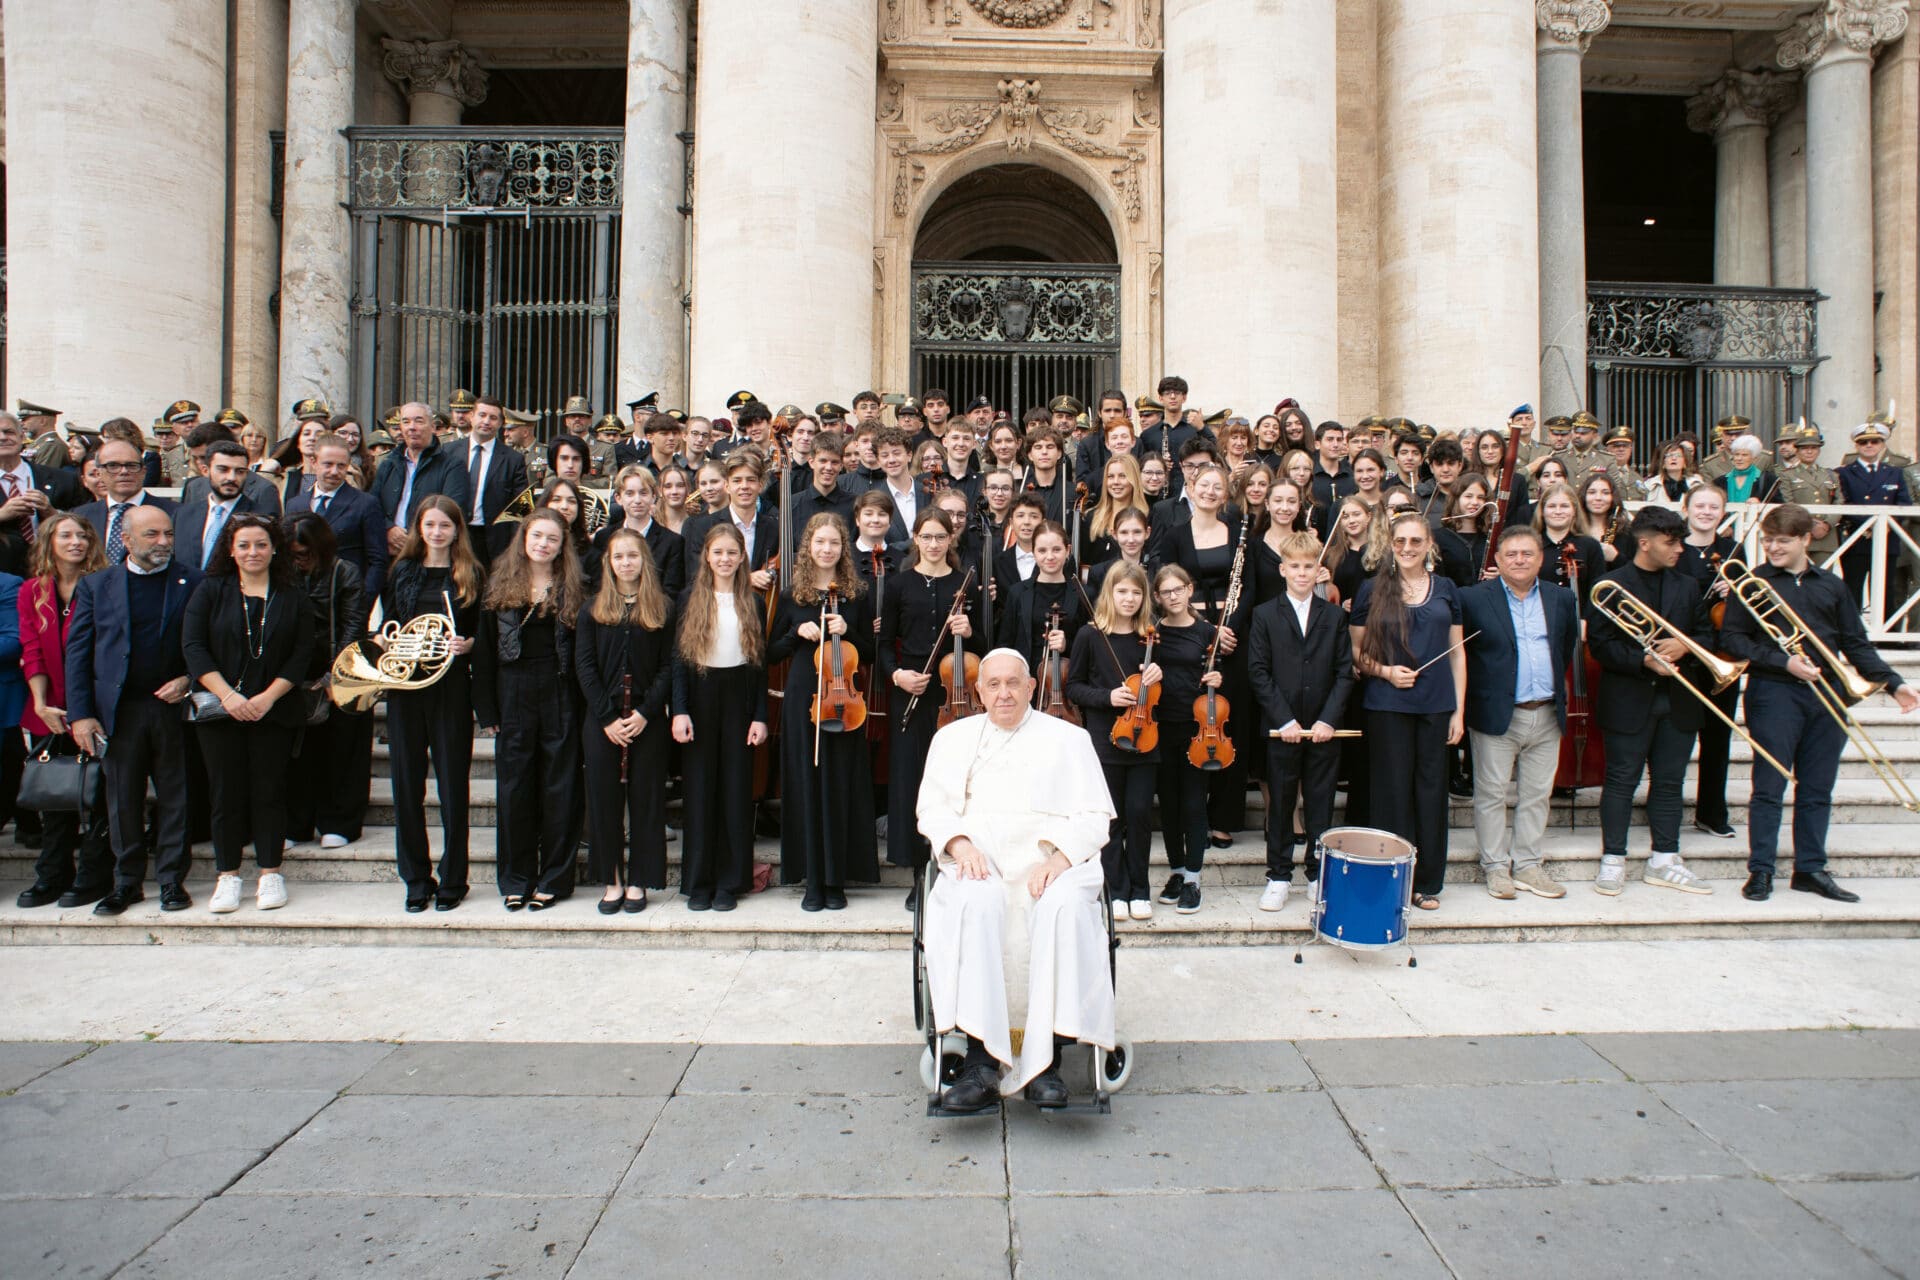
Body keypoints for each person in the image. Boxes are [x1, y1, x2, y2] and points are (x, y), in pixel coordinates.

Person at [916, 647, 1118, 1111]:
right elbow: (933, 809)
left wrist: (1062, 859)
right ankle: (981, 1060)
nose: (1004, 693)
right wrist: (960, 845)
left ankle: (1047, 1062)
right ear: (979, 691)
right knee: (976, 902)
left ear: (1032, 687)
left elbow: (1094, 814)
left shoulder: (1070, 739)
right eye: (993, 685)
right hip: (979, 861)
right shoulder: (952, 739)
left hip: (1050, 865)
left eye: (1014, 683)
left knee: (1062, 905)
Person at [1721, 503, 1920, 902]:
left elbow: (1856, 643)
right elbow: (1732, 640)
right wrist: (1783, 661)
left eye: (1782, 541)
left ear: (1805, 540)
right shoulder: (1753, 583)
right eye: (1767, 540)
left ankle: (1810, 868)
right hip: (1774, 692)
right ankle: (1760, 870)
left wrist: (1893, 683)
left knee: (1817, 788)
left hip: (1828, 693)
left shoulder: (1832, 585)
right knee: (1769, 786)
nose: (1773, 548)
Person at [66, 505, 200, 915]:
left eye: (168, 534)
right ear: (125, 540)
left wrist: (189, 679)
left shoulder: (192, 581)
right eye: (152, 535)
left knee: (175, 796)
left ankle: (171, 881)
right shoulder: (97, 586)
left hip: (169, 707)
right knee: (122, 798)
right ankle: (126, 883)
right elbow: (78, 652)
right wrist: (81, 714)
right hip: (118, 711)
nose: (163, 542)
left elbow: (206, 642)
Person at [182, 515, 315, 914]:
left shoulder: (292, 594)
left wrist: (267, 698)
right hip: (221, 711)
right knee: (225, 795)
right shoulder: (211, 591)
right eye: (244, 545)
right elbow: (193, 646)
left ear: (275, 548)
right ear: (230, 550)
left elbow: (302, 653)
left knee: (269, 793)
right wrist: (228, 697)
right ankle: (228, 876)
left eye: (261, 544)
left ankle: (270, 872)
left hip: (273, 711)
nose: (253, 552)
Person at [1586, 505, 1715, 897]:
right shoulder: (1612, 584)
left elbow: (1708, 637)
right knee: (1622, 781)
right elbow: (1601, 645)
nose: (1679, 549)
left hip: (1678, 700)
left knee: (1670, 782)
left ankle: (1665, 858)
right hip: (1629, 697)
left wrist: (1684, 646)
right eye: (1670, 543)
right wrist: (1643, 660)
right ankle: (1613, 859)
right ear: (1645, 543)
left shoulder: (1689, 585)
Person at [1350, 511, 1465, 910]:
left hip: (1436, 706)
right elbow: (1356, 652)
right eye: (1400, 542)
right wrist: (1385, 672)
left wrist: (1459, 712)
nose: (1408, 549)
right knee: (1392, 792)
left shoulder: (1447, 588)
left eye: (1416, 541)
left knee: (1431, 792)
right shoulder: (1371, 590)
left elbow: (1458, 654)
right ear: (1390, 544)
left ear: (1429, 544)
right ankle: (1392, 875)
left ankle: (1427, 880)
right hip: (1387, 704)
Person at [474, 509, 585, 911]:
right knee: (514, 789)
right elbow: (484, 653)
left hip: (560, 690)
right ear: (524, 538)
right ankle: (516, 879)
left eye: (552, 539)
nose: (543, 544)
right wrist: (487, 711)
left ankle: (554, 877)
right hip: (512, 691)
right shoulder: (499, 583)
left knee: (561, 788)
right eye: (537, 536)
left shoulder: (574, 586)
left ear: (561, 546)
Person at [768, 512, 880, 909]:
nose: (827, 549)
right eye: (820, 543)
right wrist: (796, 633)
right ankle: (813, 879)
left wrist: (848, 631)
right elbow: (770, 653)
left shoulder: (857, 594)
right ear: (808, 547)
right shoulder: (790, 595)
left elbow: (869, 652)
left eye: (834, 543)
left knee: (839, 784)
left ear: (843, 549)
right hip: (805, 698)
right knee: (806, 785)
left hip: (844, 701)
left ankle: (837, 881)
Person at [1459, 525, 1578, 901]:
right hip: (1496, 712)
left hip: (1546, 711)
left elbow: (1566, 646)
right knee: (1491, 793)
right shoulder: (1474, 599)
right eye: (1511, 554)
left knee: (1537, 794)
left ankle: (1527, 864)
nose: (1519, 560)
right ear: (1497, 560)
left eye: (1527, 553)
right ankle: (1495, 866)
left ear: (1541, 558)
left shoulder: (1561, 600)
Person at [381, 495, 485, 912]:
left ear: (458, 530)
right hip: (406, 687)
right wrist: (388, 639)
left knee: (452, 787)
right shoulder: (402, 571)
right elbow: (387, 623)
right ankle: (415, 878)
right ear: (418, 529)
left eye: (445, 525)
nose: (437, 532)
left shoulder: (471, 573)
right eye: (430, 525)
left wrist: (468, 643)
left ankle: (453, 878)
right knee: (406, 786)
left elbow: (481, 632)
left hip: (450, 687)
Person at [1247, 531, 1354, 911]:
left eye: (1309, 567)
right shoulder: (1264, 615)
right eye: (1295, 566)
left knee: (1321, 803)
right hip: (1283, 729)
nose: (1302, 573)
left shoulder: (1333, 616)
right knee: (1281, 805)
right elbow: (1258, 672)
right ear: (1283, 569)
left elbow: (1345, 672)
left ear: (1318, 570)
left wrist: (1328, 719)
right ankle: (1278, 876)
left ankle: (1316, 873)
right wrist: (1285, 719)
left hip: (1324, 730)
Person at [13, 513, 112, 909]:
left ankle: (94, 873)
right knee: (55, 793)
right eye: (66, 535)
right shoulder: (31, 591)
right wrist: (40, 702)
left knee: (99, 793)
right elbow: (31, 649)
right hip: (48, 706)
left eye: (83, 535)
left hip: (96, 705)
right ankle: (52, 875)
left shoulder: (106, 585)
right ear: (49, 542)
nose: (76, 542)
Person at [879, 508, 977, 905]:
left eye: (941, 537)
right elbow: (884, 645)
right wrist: (898, 675)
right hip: (912, 691)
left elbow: (981, 646)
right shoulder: (900, 585)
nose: (934, 544)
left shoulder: (962, 583)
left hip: (953, 694)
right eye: (927, 536)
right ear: (915, 539)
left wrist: (970, 631)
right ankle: (920, 871)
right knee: (912, 780)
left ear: (950, 540)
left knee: (954, 782)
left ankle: (952, 864)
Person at [576, 527, 675, 914]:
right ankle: (612, 879)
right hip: (603, 722)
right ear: (609, 562)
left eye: (633, 556)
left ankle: (640, 880)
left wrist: (646, 713)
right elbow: (584, 666)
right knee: (604, 801)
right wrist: (606, 718)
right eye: (619, 557)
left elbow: (669, 667)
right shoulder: (592, 609)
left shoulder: (664, 608)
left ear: (644, 561)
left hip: (646, 720)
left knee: (647, 800)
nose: (626, 562)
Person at [672, 524, 770, 911]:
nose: (725, 559)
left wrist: (759, 716)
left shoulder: (754, 602)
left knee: (734, 792)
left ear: (742, 557)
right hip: (700, 695)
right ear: (707, 557)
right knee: (699, 792)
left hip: (738, 699)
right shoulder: (688, 599)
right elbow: (678, 661)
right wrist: (679, 710)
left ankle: (731, 881)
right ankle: (699, 882)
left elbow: (759, 666)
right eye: (718, 553)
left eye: (733, 552)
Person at [1066, 563, 1162, 919]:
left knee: (1139, 814)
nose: (1129, 598)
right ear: (1109, 593)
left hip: (1145, 739)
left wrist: (1159, 672)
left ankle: (1141, 889)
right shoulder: (1091, 636)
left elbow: (1159, 695)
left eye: (1136, 592)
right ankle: (1115, 889)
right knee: (1111, 818)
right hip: (1105, 740)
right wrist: (1108, 698)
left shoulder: (1150, 637)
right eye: (1122, 591)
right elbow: (1073, 686)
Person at [283, 512, 370, 852]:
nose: (299, 560)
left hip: (341, 669)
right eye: (293, 553)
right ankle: (296, 823)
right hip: (294, 669)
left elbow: (353, 625)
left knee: (342, 750)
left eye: (305, 553)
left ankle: (339, 821)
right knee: (297, 754)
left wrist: (333, 672)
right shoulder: (283, 573)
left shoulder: (344, 572)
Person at [1674, 485, 1741, 840]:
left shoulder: (1733, 552)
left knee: (1718, 739)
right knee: (1676, 738)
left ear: (1722, 511)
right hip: (1684, 653)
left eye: (1713, 507)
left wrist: (1736, 592)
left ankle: (1712, 812)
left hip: (1722, 654)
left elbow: (1747, 606)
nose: (1706, 512)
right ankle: (1666, 807)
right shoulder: (1675, 548)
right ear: (1686, 508)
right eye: (1699, 505)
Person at [285, 433, 390, 598]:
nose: (334, 472)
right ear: (314, 462)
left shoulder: (365, 504)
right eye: (328, 464)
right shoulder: (295, 505)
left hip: (345, 599)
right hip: (302, 600)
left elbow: (377, 560)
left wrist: (363, 601)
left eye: (341, 466)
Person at [374, 401, 472, 557]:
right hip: (388, 551)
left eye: (418, 421)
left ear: (433, 427)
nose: (411, 427)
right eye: (406, 422)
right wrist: (388, 529)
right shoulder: (387, 464)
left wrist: (413, 540)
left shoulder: (452, 466)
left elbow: (453, 511)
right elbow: (373, 505)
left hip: (428, 553)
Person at [0, 412, 85, 579]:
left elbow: (87, 522)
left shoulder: (63, 480)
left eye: (8, 431)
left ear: (21, 436)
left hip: (55, 575)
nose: (2, 437)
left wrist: (52, 513)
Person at [175, 440, 273, 572]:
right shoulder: (183, 515)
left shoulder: (261, 518)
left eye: (240, 471)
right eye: (223, 469)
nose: (232, 477)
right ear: (205, 470)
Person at [76, 438, 178, 563]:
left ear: (143, 471)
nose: (124, 471)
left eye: (132, 465)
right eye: (113, 466)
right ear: (99, 473)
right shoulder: (81, 516)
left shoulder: (175, 514)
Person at [460, 395, 531, 563]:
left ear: (500, 424)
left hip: (495, 542)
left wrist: (515, 545)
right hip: (458, 535)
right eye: (482, 415)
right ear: (471, 417)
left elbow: (521, 507)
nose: (486, 421)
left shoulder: (513, 459)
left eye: (493, 418)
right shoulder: (449, 452)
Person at [1713, 434, 1778, 505]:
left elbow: (1779, 508)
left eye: (1744, 455)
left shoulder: (1768, 480)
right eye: (1736, 454)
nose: (1739, 458)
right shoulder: (1719, 482)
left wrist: (1760, 504)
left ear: (1754, 457)